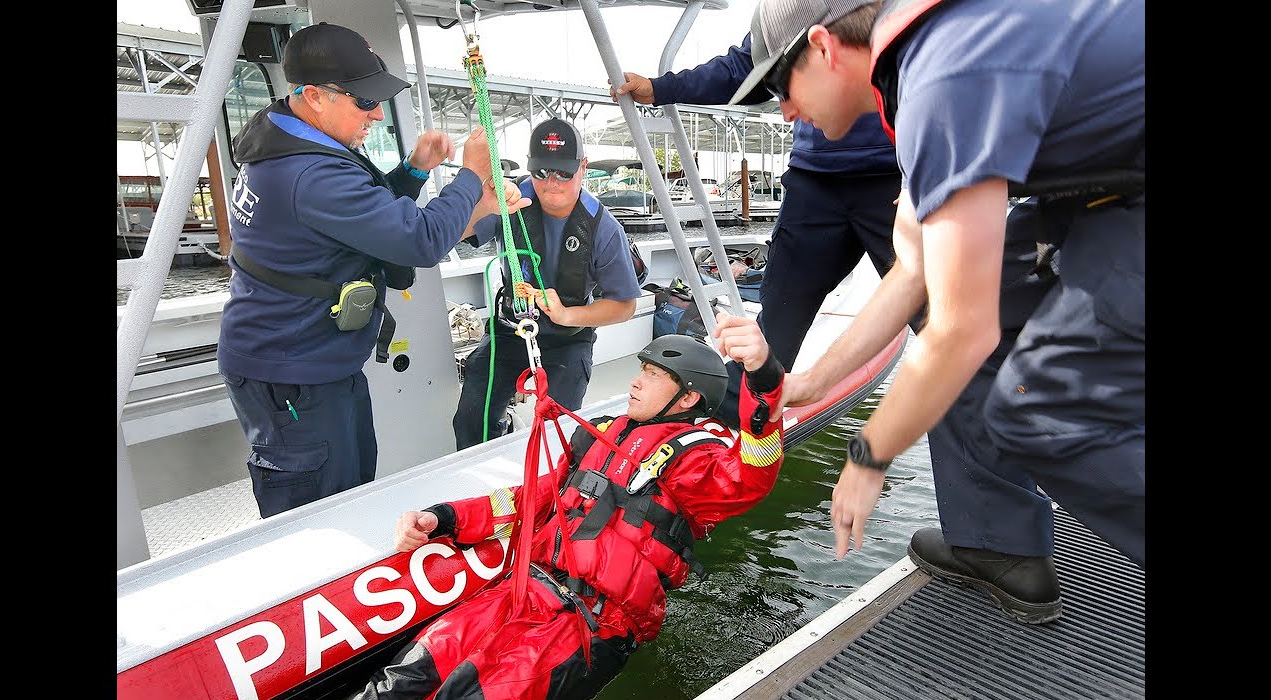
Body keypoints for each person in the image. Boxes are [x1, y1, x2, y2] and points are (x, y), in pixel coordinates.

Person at [735, 0, 1145, 623]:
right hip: (1104, 191)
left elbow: (963, 331)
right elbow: (920, 276)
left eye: (778, 86)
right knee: (965, 310)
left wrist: (868, 455)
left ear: (822, 46)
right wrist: (810, 384)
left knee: (1042, 404)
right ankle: (997, 541)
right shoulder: (925, 71)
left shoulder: (944, 77)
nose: (785, 111)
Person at [329, 315, 785, 700]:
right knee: (397, 686)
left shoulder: (696, 461)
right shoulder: (598, 437)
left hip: (589, 625)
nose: (635, 382)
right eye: (640, 370)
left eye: (652, 375)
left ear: (687, 399)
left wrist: (763, 378)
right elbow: (533, 498)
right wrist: (444, 517)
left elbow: (752, 475)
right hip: (522, 592)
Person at [217, 22, 529, 518]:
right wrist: (471, 175)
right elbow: (420, 240)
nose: (378, 113)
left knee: (353, 485)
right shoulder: (308, 173)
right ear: (316, 96)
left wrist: (416, 171)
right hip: (293, 372)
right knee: (318, 509)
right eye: (365, 101)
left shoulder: (286, 136)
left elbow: (366, 216)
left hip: (315, 360)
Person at [612, 35, 905, 425]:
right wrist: (663, 87)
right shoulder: (785, 14)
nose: (785, 113)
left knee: (943, 324)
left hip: (899, 175)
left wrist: (932, 167)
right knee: (778, 315)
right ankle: (725, 428)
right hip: (814, 180)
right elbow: (749, 65)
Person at [452, 117, 642, 450]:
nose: (551, 183)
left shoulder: (604, 228)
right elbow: (454, 233)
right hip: (509, 330)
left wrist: (568, 315)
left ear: (582, 167)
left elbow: (624, 305)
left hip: (567, 339)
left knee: (557, 433)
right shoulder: (511, 199)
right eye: (541, 172)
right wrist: (482, 201)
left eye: (563, 173)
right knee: (471, 420)